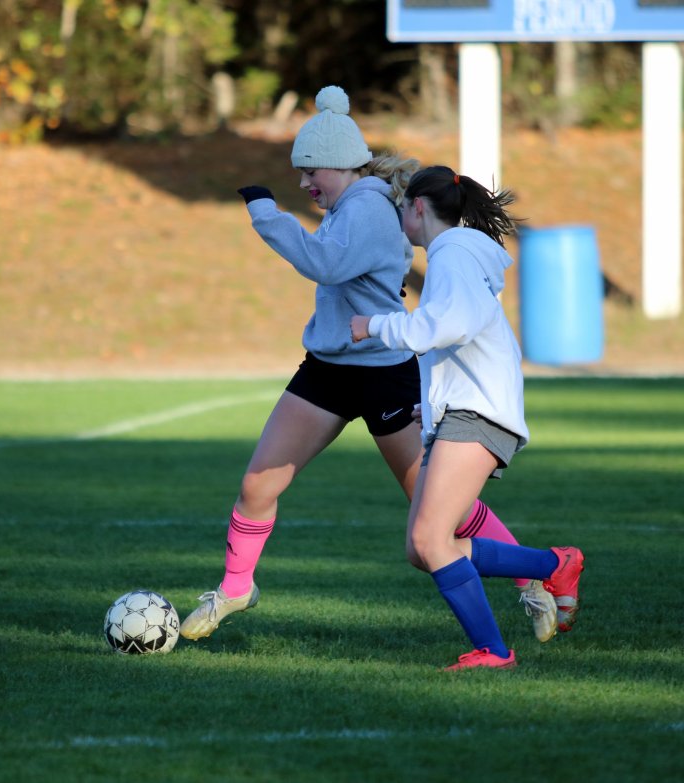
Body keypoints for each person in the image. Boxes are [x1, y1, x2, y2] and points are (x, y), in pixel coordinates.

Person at [180, 87, 556, 643]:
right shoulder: (347, 204)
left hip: (384, 372)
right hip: (328, 370)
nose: (305, 184)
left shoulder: (372, 209)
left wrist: (266, 213)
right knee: (258, 483)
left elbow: (324, 264)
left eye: (311, 171)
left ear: (339, 164)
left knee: (441, 513)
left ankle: (535, 580)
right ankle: (236, 587)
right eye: (300, 173)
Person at [350, 165, 584, 669]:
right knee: (424, 548)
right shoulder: (455, 253)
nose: (399, 220)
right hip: (464, 410)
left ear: (417, 207)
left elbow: (446, 326)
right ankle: (554, 564)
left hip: (477, 415)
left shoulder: (452, 254)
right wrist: (431, 404)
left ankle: (494, 651)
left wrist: (376, 324)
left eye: (400, 210)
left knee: (432, 540)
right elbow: (467, 337)